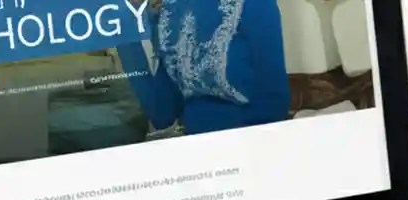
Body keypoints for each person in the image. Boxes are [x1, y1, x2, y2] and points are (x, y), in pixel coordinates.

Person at [118, 0, 291, 134]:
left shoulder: (251, 4)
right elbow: (161, 114)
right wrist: (124, 29)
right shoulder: (170, 12)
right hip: (198, 155)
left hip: (248, 149)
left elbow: (275, 100)